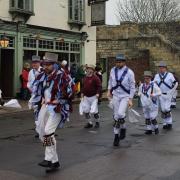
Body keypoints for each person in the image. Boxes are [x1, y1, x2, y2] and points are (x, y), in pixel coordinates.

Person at [31, 52, 73, 173]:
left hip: (57, 108)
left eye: (48, 65)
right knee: (41, 132)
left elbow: (70, 91)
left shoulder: (63, 76)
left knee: (48, 132)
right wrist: (36, 100)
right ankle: (55, 162)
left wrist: (61, 99)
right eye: (44, 64)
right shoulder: (42, 75)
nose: (45, 67)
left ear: (54, 64)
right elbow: (38, 90)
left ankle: (48, 159)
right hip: (45, 106)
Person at [107, 54, 135, 146]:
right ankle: (116, 136)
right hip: (115, 95)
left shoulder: (129, 72)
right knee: (116, 117)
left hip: (125, 96)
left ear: (124, 62)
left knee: (120, 114)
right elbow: (110, 81)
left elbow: (132, 86)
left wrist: (130, 99)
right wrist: (108, 91)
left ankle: (123, 128)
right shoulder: (112, 70)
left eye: (120, 62)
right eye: (117, 62)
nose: (118, 64)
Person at [154, 61, 178, 130]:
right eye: (160, 68)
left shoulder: (170, 75)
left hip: (168, 94)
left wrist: (172, 91)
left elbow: (175, 83)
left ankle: (169, 123)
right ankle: (165, 123)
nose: (161, 69)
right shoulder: (156, 76)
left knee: (166, 108)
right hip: (160, 94)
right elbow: (154, 84)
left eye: (162, 68)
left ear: (165, 68)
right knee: (162, 109)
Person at [81, 64, 102, 128]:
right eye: (87, 69)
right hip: (86, 97)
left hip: (93, 97)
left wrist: (98, 93)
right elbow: (83, 86)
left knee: (95, 111)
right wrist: (82, 93)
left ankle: (97, 122)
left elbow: (99, 86)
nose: (88, 70)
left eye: (90, 69)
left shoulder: (95, 78)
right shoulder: (85, 77)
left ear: (92, 70)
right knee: (86, 111)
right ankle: (89, 123)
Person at [28, 55, 43, 138]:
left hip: (43, 96)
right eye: (33, 62)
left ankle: (49, 130)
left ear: (39, 63)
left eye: (36, 62)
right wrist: (31, 90)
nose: (34, 64)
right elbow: (29, 83)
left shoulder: (43, 70)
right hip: (35, 96)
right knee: (36, 112)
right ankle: (38, 130)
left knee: (45, 113)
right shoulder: (31, 72)